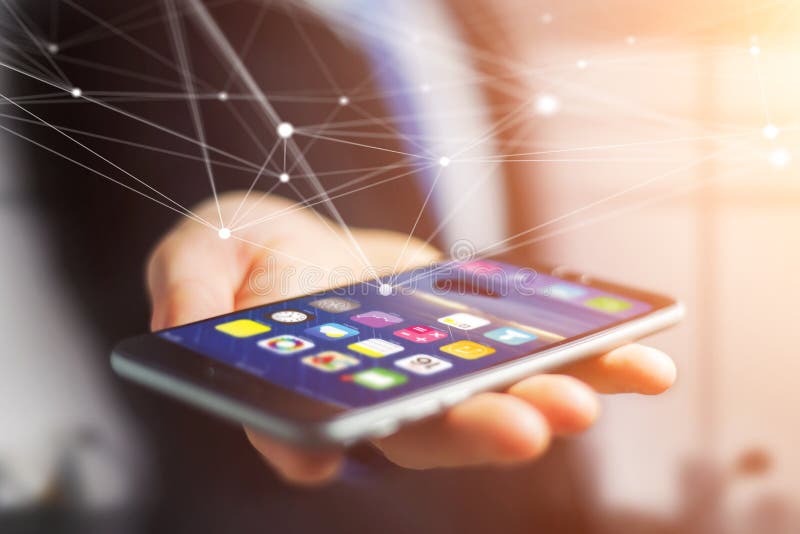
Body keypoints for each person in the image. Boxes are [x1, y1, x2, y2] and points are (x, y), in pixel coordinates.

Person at [5, 0, 676, 531]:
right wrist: (358, 427)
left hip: (536, 496)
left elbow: (494, 249)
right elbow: (181, 336)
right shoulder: (113, 25)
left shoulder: (469, 15)